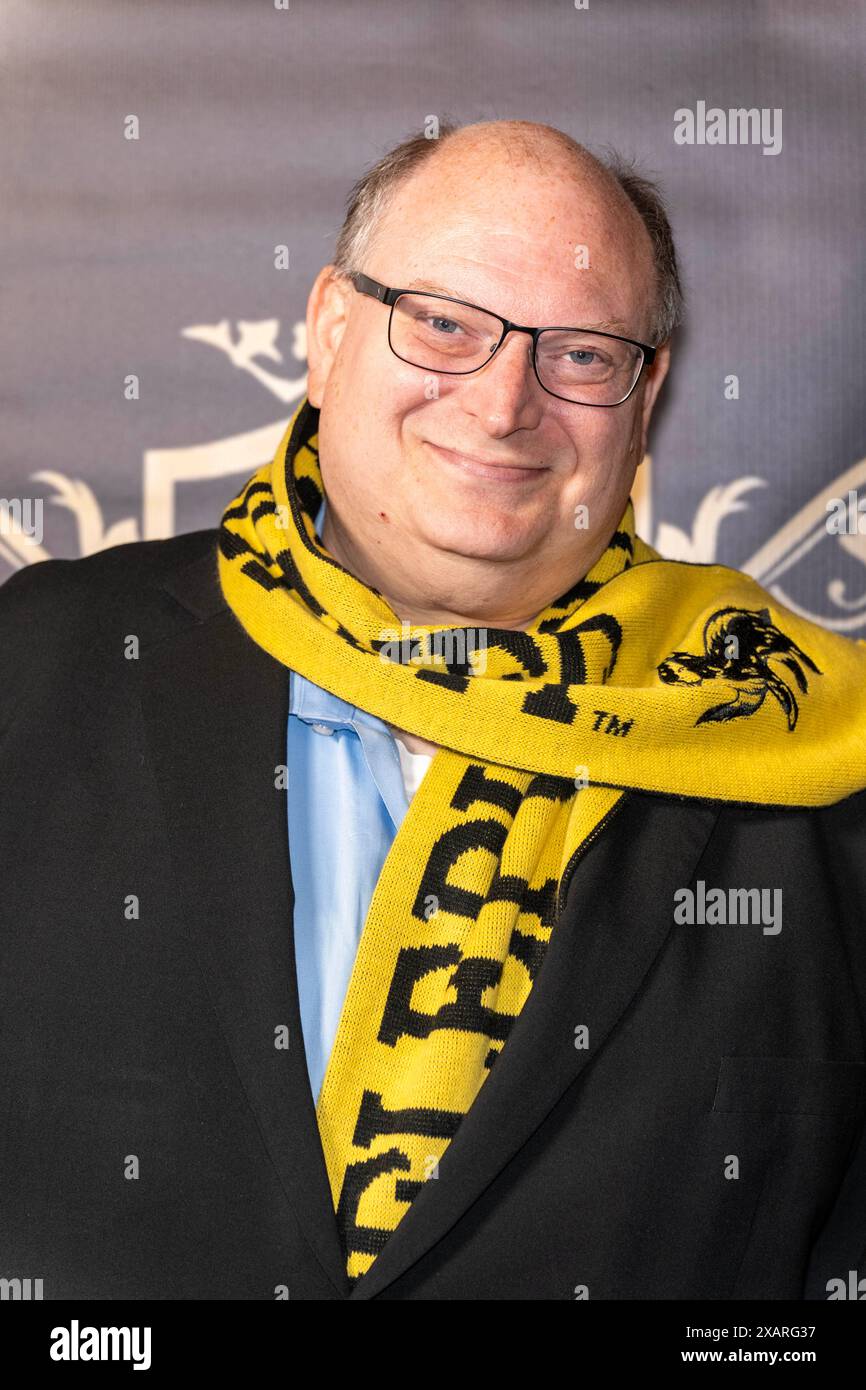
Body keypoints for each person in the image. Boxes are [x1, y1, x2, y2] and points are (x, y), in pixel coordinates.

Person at [1, 119, 865, 1302]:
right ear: (329, 330)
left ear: (646, 392)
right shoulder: (36, 669)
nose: (502, 402)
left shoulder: (805, 754)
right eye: (444, 324)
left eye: (579, 352)